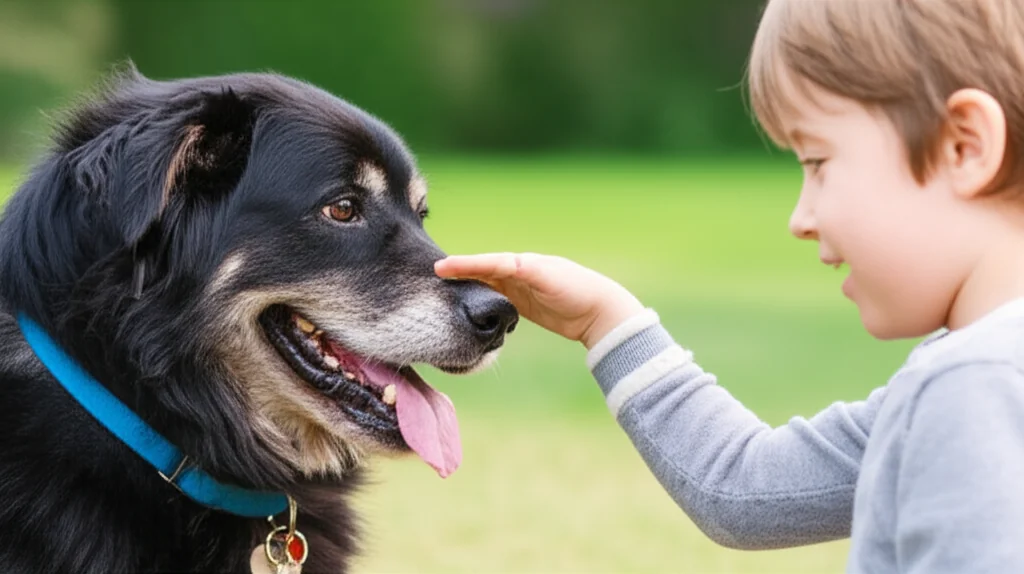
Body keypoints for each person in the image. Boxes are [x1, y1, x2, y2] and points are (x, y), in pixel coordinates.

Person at [434, 0, 1024, 571]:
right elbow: (747, 492)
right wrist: (606, 323)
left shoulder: (966, 389)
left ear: (963, 146)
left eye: (818, 162)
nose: (802, 217)